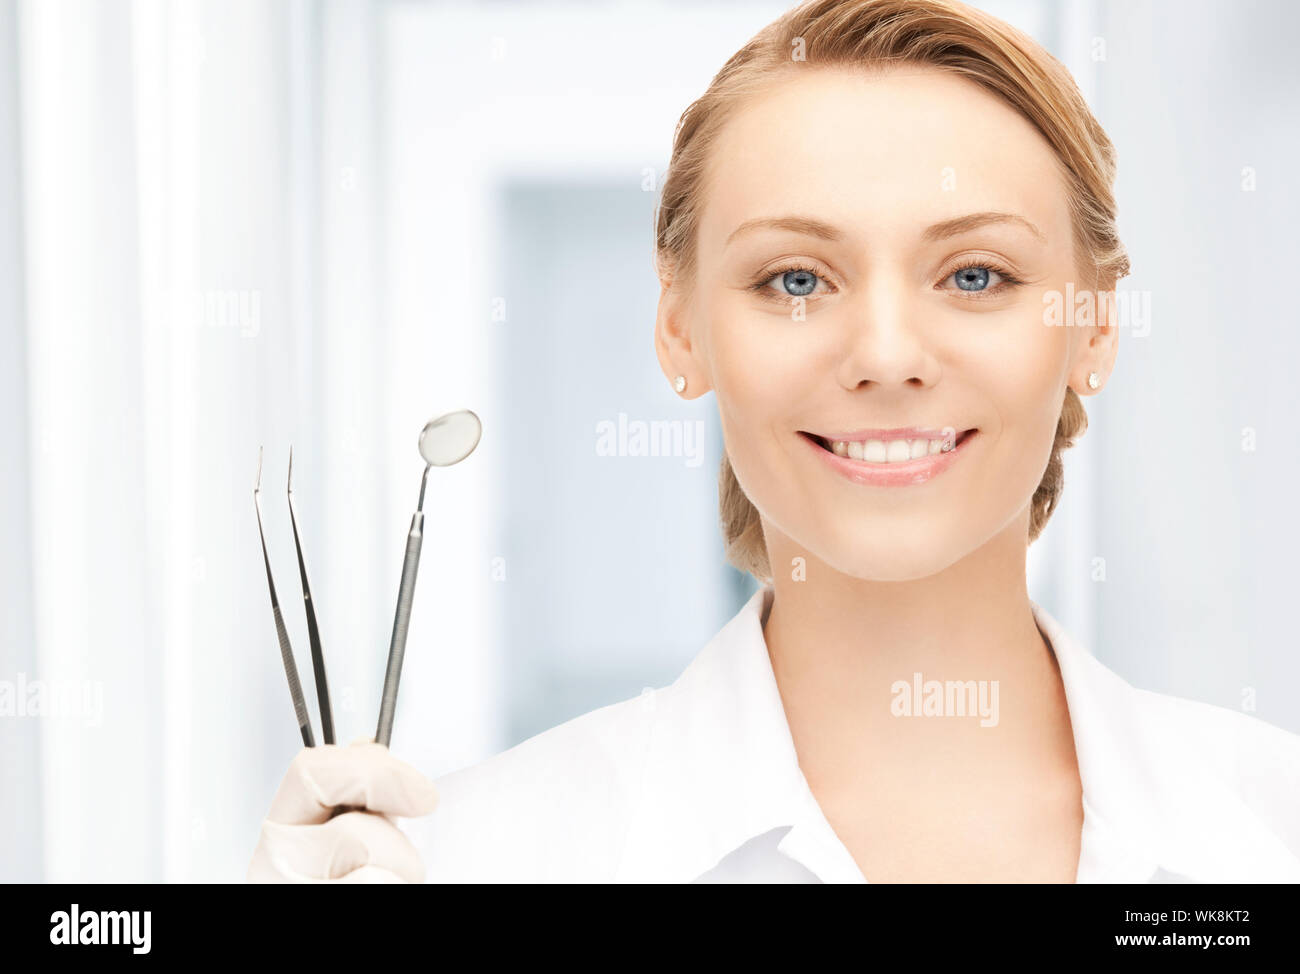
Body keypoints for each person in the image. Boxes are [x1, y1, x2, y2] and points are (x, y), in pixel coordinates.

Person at [247, 0, 1300, 883]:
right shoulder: (471, 859)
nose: (886, 356)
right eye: (794, 279)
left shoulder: (1269, 829)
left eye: (974, 275)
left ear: (1094, 324)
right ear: (680, 327)